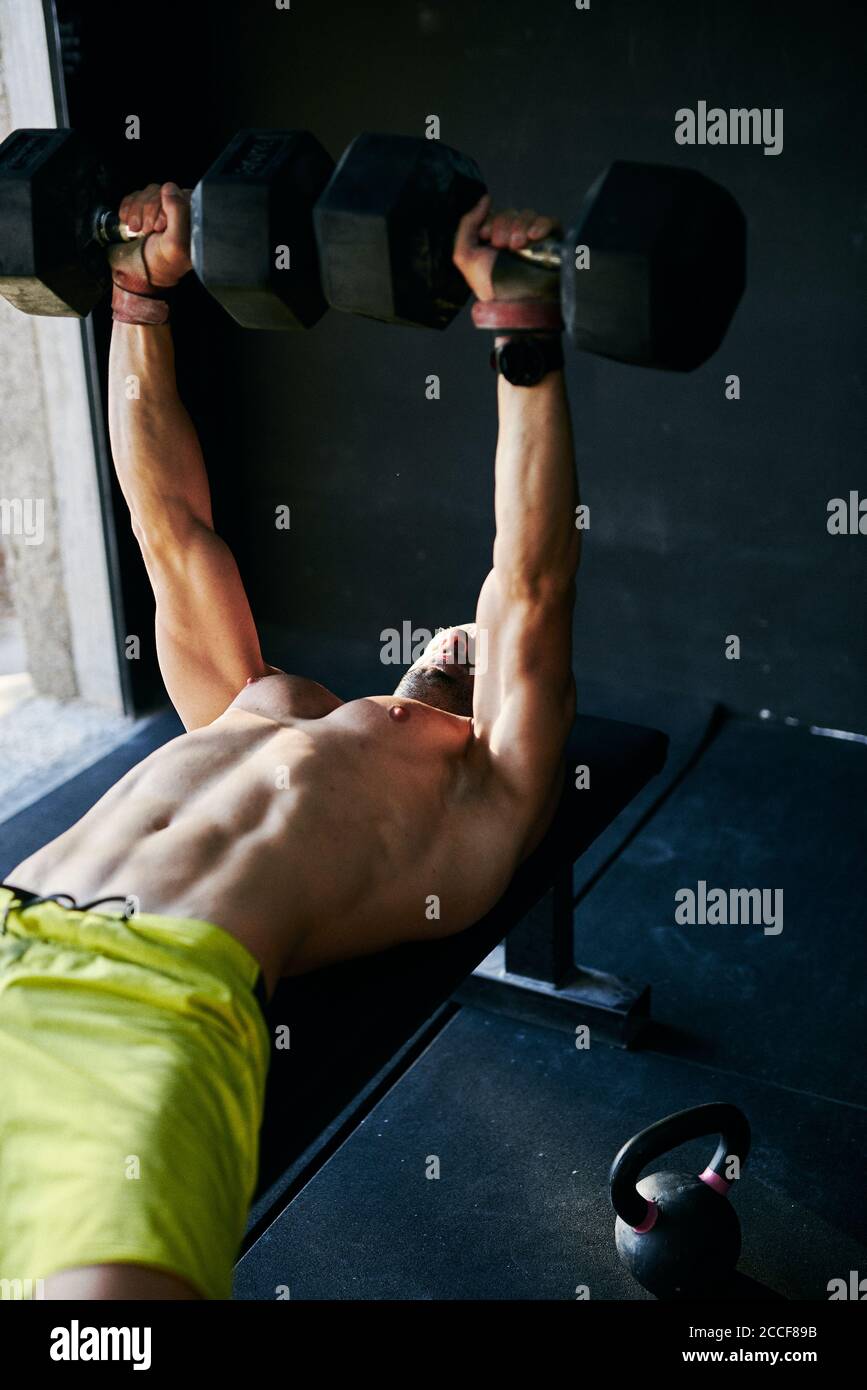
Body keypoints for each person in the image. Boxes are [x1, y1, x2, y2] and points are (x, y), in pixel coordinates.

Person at [0, 180, 580, 1301]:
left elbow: (535, 575)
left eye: (477, 643)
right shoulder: (243, 701)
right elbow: (168, 523)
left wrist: (522, 326)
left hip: (151, 1017)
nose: (458, 635)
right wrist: (137, 295)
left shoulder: (487, 793)